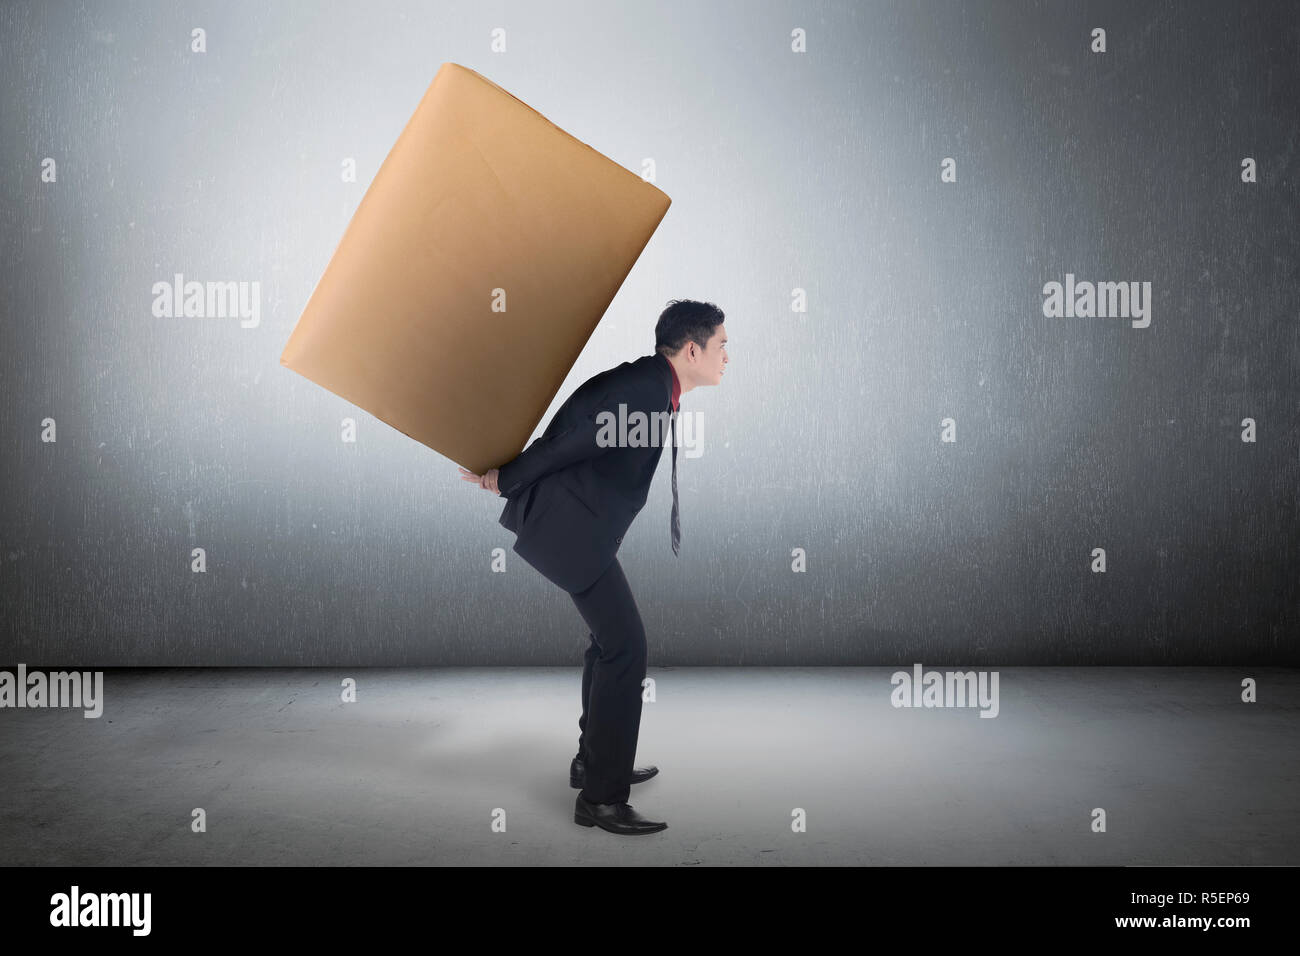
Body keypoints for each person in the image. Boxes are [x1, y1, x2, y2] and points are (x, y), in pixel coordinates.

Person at [459, 299, 728, 835]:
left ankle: (593, 763)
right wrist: (507, 478)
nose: (728, 358)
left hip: (580, 528)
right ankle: (602, 800)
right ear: (693, 349)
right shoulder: (644, 391)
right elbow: (574, 438)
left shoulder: (653, 386)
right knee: (626, 647)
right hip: (568, 528)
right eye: (723, 346)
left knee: (609, 644)